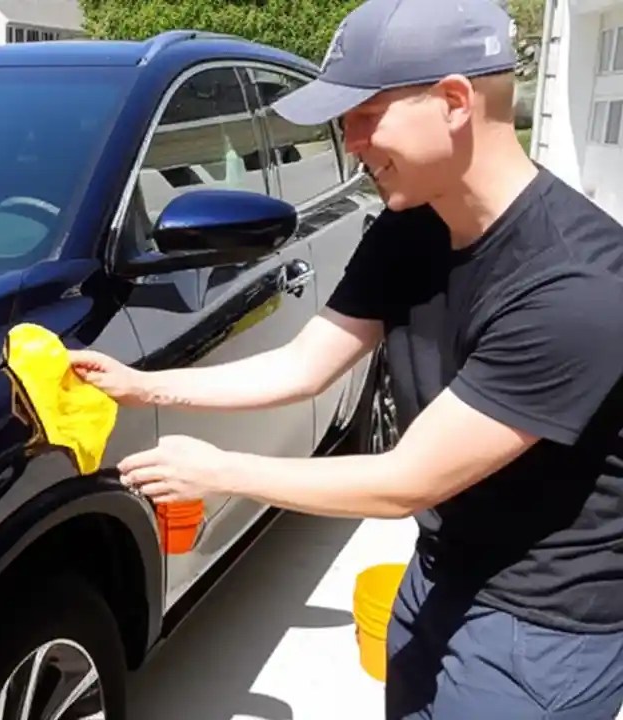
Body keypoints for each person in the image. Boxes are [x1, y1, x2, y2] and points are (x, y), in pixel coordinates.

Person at [69, 0, 623, 716]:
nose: (349, 140)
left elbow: (404, 480)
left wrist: (215, 470)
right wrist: (144, 387)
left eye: (365, 114)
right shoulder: (412, 224)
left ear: (454, 101)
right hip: (440, 571)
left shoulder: (576, 287)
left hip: (540, 624)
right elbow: (305, 364)